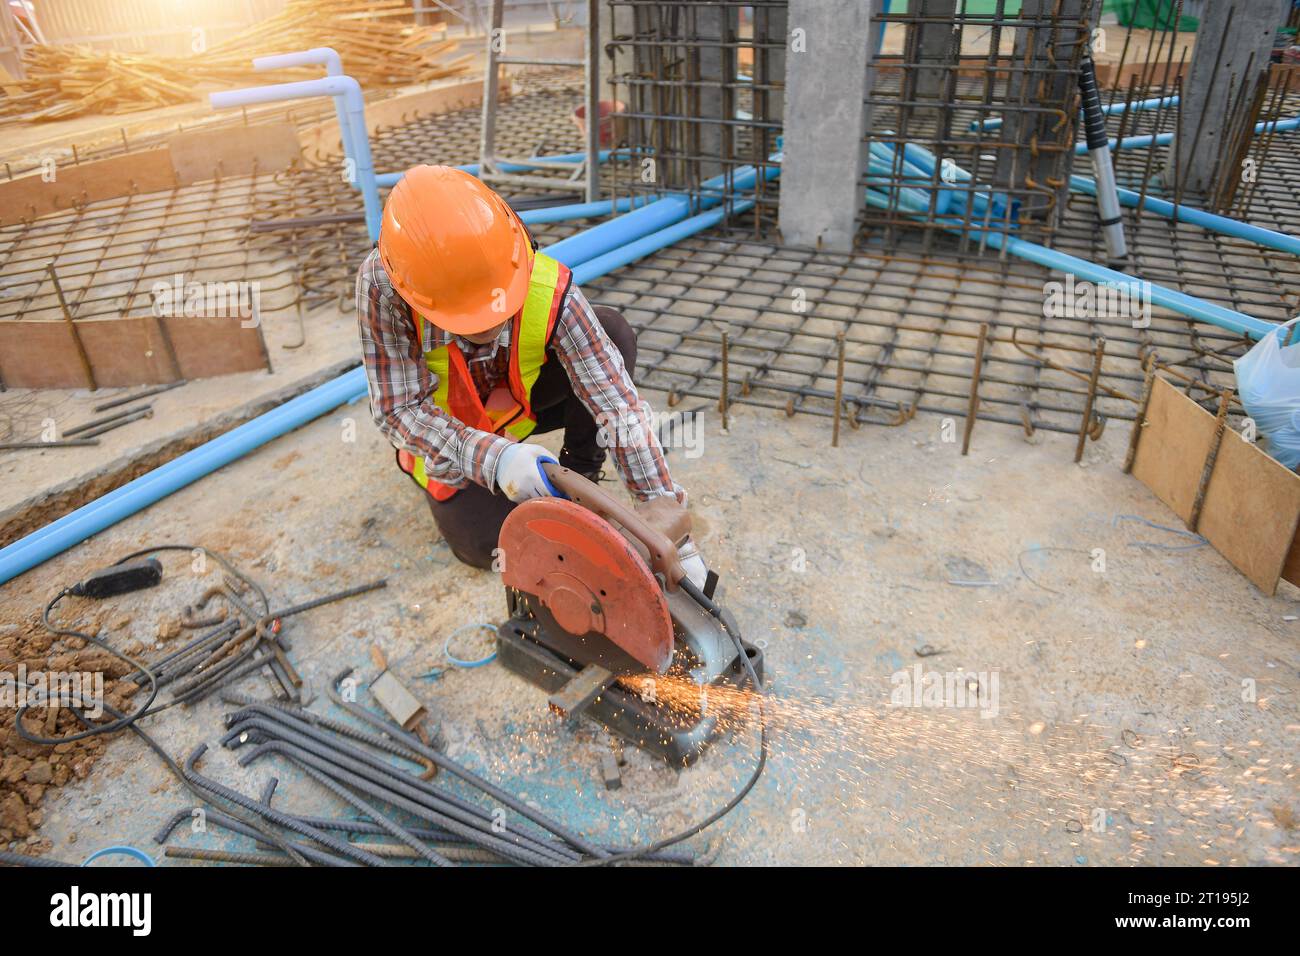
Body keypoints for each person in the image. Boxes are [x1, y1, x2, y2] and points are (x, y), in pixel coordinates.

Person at [355, 164, 705, 583]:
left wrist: (664, 516)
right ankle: (510, 480)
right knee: (492, 546)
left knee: (612, 332)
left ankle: (580, 474)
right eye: (466, 318)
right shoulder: (384, 285)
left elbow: (616, 402)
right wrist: (495, 459)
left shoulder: (537, 274)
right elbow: (398, 408)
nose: (487, 327)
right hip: (454, 440)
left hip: (523, 405)